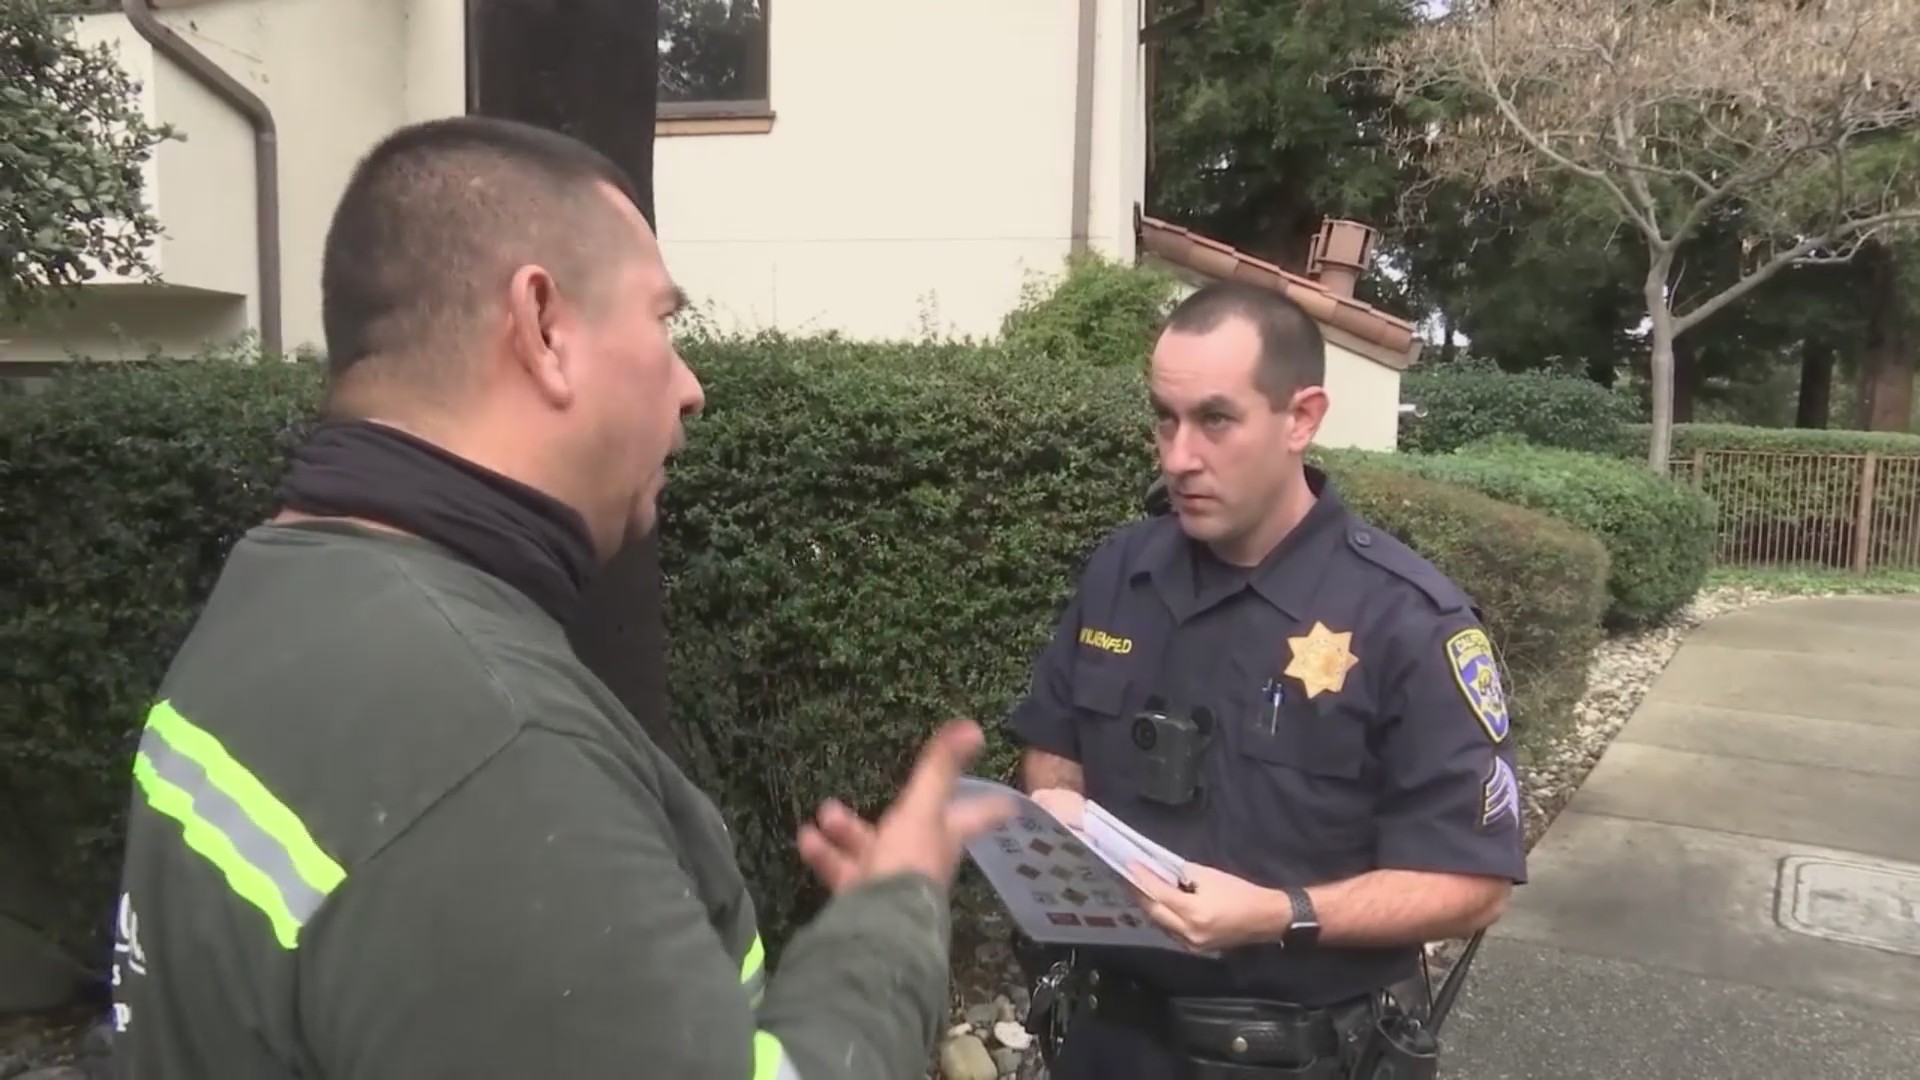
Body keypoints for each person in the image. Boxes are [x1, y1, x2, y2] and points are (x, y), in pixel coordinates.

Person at [107, 116, 1011, 1080]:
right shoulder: (487, 746)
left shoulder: (282, 591)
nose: (692, 386)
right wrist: (898, 916)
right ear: (542, 325)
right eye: (665, 322)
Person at [1004, 281, 1527, 1079]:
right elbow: (1055, 741)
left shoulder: (1408, 622)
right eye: (1165, 419)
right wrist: (1058, 808)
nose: (1179, 457)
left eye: (1216, 419)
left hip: (1301, 1055)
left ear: (1302, 418)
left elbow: (1473, 883)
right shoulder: (1121, 571)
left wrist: (1280, 915)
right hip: (1106, 1040)